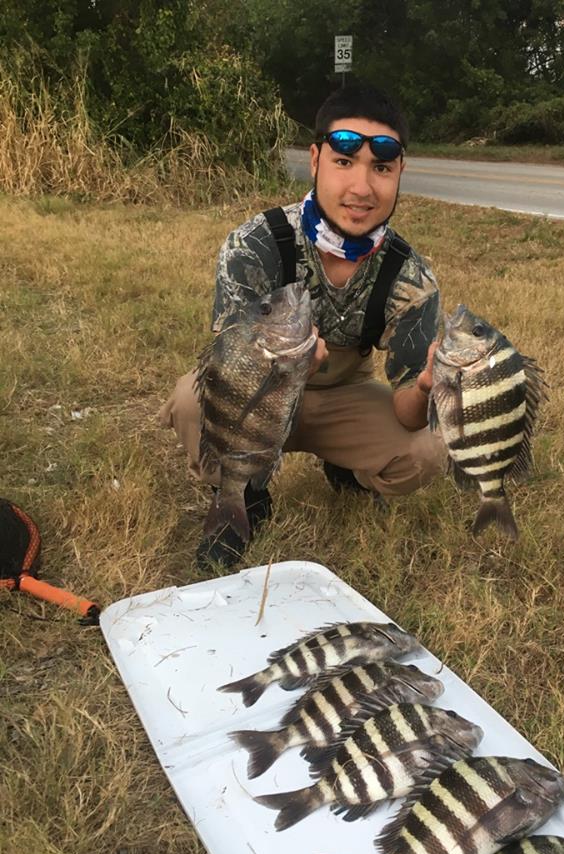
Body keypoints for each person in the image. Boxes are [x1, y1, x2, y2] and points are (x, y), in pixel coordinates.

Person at [159, 83, 446, 568]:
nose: (361, 187)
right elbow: (228, 365)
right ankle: (241, 495)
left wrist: (424, 386)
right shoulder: (255, 244)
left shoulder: (410, 276)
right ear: (314, 160)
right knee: (193, 400)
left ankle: (349, 470)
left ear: (400, 173)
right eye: (343, 162)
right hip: (259, 394)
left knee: (429, 447)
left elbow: (407, 410)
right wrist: (288, 368)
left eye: (381, 168)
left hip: (341, 398)